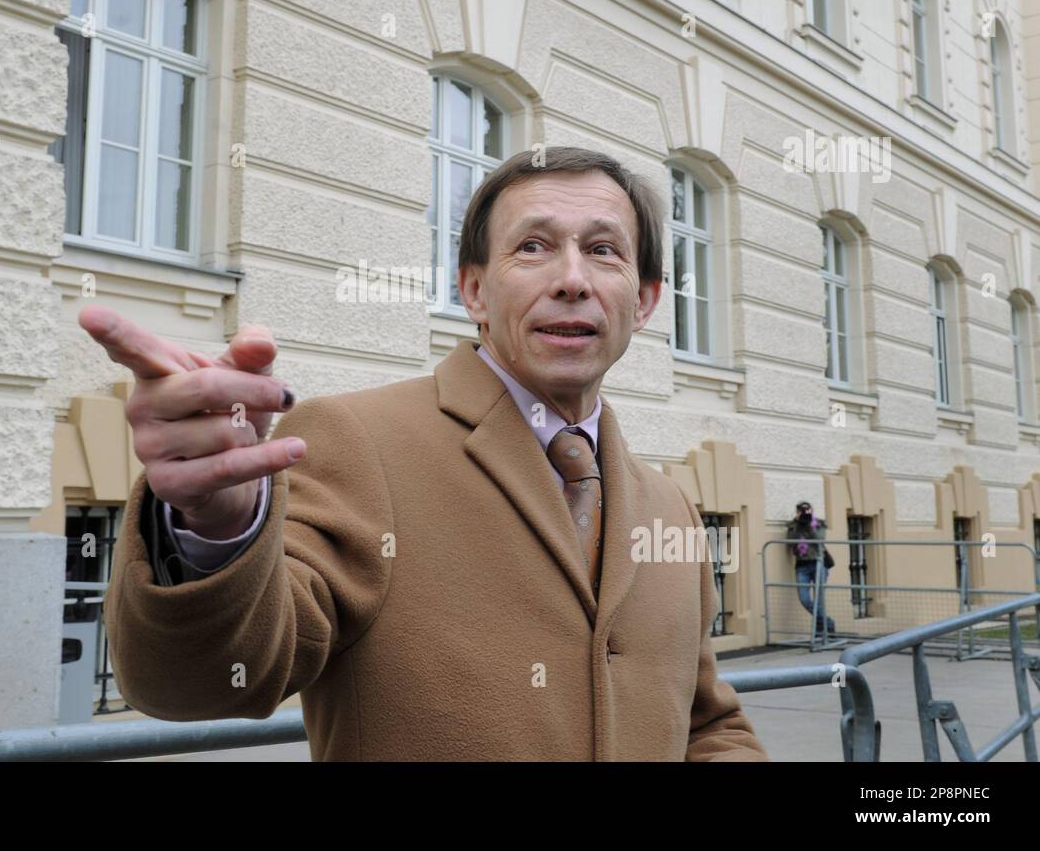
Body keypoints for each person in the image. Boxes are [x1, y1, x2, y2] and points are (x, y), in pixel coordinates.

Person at [83, 145, 769, 761]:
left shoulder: (670, 507)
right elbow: (202, 683)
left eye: (604, 249)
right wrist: (216, 527)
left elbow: (705, 723)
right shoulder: (358, 439)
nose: (571, 278)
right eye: (532, 246)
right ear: (474, 289)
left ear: (645, 299)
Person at [786, 501, 836, 636]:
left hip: (819, 563)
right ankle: (828, 623)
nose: (804, 514)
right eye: (802, 511)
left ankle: (820, 632)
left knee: (819, 600)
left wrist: (809, 526)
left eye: (807, 511)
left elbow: (819, 539)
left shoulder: (818, 523)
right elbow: (791, 542)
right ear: (797, 512)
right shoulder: (793, 525)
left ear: (812, 511)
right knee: (804, 599)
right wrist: (798, 524)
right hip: (802, 566)